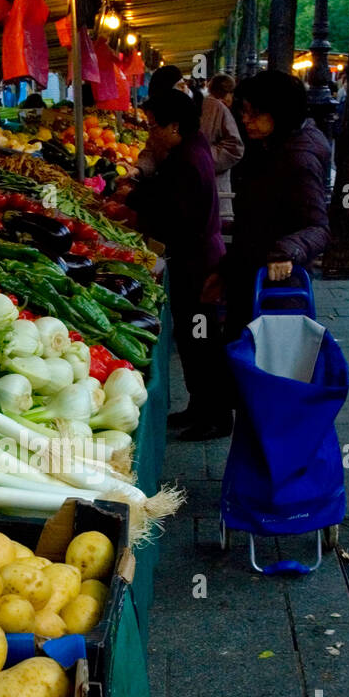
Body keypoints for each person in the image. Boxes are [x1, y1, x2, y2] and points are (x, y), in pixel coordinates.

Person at [127, 89, 226, 438]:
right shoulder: (188, 149)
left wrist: (135, 198)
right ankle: (200, 407)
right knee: (194, 341)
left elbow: (174, 213)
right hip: (194, 258)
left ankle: (213, 417)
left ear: (174, 126)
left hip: (196, 264)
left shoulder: (187, 159)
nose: (150, 133)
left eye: (154, 126)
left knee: (201, 342)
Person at [225, 69, 331, 340]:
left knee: (267, 364)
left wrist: (285, 251)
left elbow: (319, 227)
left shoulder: (298, 157)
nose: (246, 120)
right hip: (253, 272)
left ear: (279, 112)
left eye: (255, 113)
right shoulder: (269, 145)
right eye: (244, 111)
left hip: (279, 284)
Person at [200, 73, 244, 220]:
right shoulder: (219, 107)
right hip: (216, 176)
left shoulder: (207, 104)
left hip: (207, 174)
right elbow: (235, 148)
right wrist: (206, 159)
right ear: (227, 92)